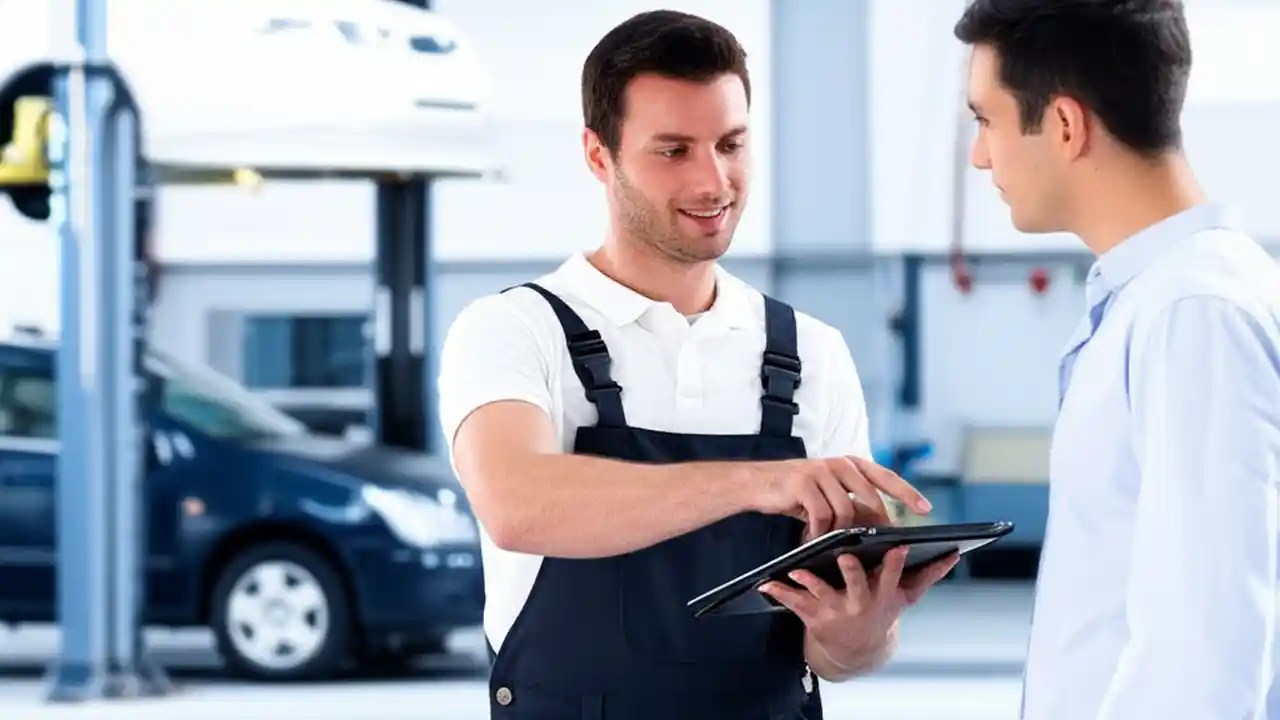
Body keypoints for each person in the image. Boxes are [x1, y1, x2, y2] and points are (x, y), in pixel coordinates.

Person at [438, 9, 956, 719]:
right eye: (674, 150)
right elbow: (518, 504)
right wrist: (760, 483)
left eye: (732, 144)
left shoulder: (812, 353)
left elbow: (837, 657)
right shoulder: (513, 331)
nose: (715, 181)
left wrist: (857, 636)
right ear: (599, 156)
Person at [955, 1, 1280, 717]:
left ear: (1066, 126)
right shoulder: (1158, 300)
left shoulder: (1194, 314)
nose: (979, 155)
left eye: (986, 121)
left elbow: (1207, 652)